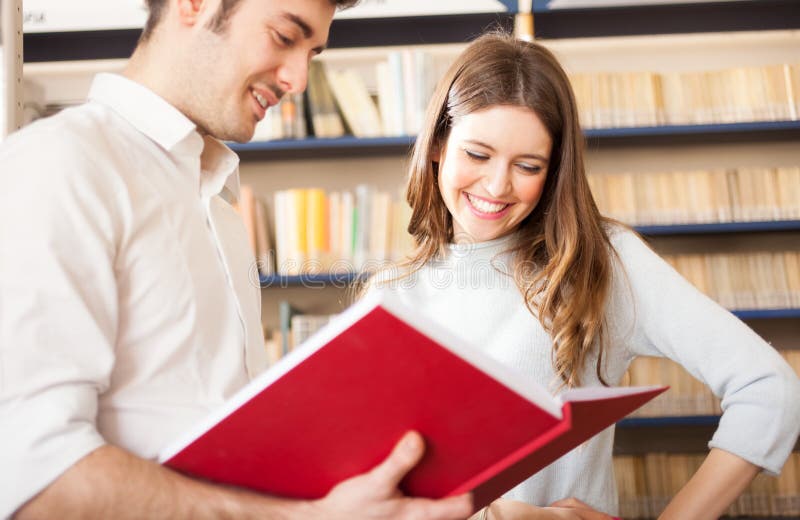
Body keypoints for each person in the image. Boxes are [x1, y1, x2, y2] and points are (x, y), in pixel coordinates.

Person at [0, 0, 474, 518]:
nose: (297, 78)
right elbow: (36, 480)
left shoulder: (216, 201)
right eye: (284, 36)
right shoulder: (58, 166)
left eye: (312, 52)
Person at [367, 32, 800, 520]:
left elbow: (770, 388)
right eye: (478, 154)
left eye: (527, 165)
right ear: (439, 145)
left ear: (554, 172)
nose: (496, 185)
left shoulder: (603, 262)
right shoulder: (388, 294)